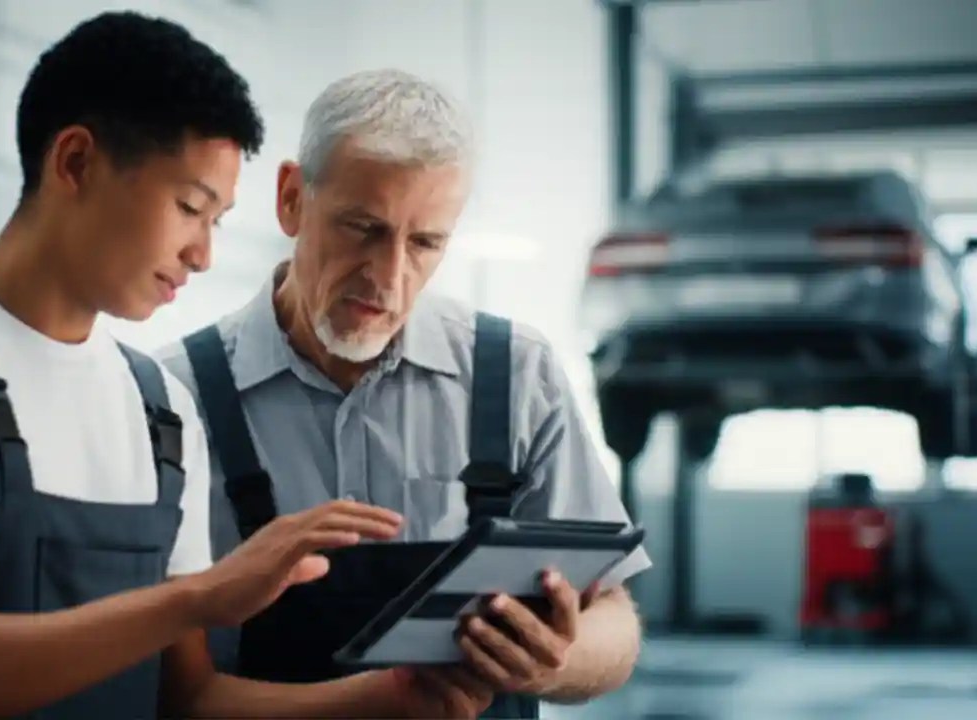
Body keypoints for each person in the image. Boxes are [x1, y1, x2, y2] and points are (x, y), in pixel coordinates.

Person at [0, 15, 493, 720]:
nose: (202, 254)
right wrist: (198, 597)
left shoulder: (158, 404)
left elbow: (189, 700)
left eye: (215, 220)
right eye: (189, 207)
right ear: (74, 162)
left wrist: (387, 698)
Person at [159, 69, 652, 719]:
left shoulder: (517, 378)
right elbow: (172, 692)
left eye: (425, 243)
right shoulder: (171, 396)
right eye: (363, 228)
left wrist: (556, 657)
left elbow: (612, 614)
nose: (389, 278)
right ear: (291, 200)